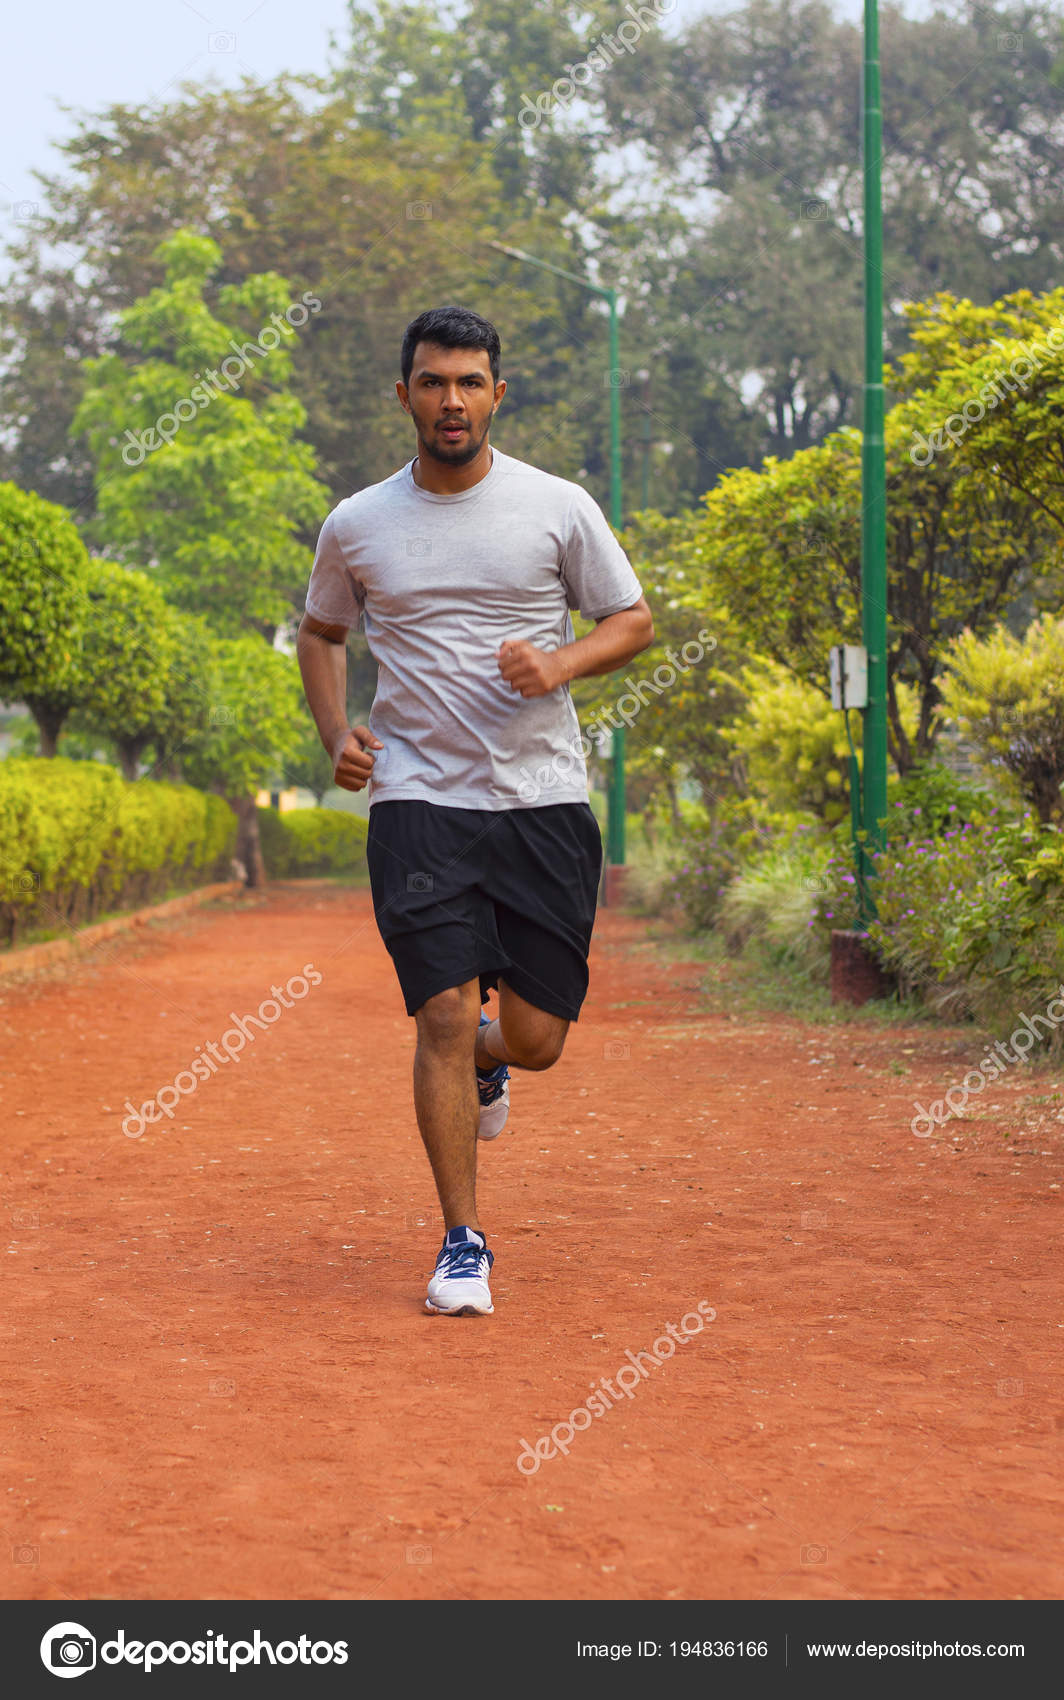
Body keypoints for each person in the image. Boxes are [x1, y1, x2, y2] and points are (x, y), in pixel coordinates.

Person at [296, 304, 653, 1317]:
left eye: (467, 382)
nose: (450, 399)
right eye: (431, 381)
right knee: (443, 1012)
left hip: (541, 799)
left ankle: (496, 1061)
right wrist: (336, 732)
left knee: (535, 1037)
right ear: (402, 395)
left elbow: (631, 620)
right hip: (419, 800)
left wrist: (560, 663)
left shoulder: (556, 506)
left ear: (497, 393)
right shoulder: (357, 522)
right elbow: (321, 632)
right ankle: (463, 1240)